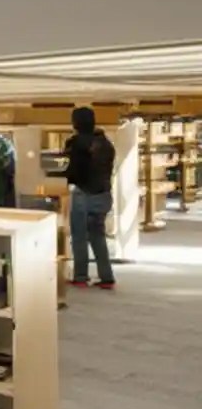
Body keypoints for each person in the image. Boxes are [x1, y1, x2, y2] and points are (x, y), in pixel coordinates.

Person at [63, 107, 117, 289]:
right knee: (98, 236)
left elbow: (71, 170)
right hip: (104, 194)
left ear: (75, 123)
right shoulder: (106, 144)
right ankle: (107, 278)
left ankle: (81, 276)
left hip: (83, 194)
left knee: (79, 237)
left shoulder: (75, 143)